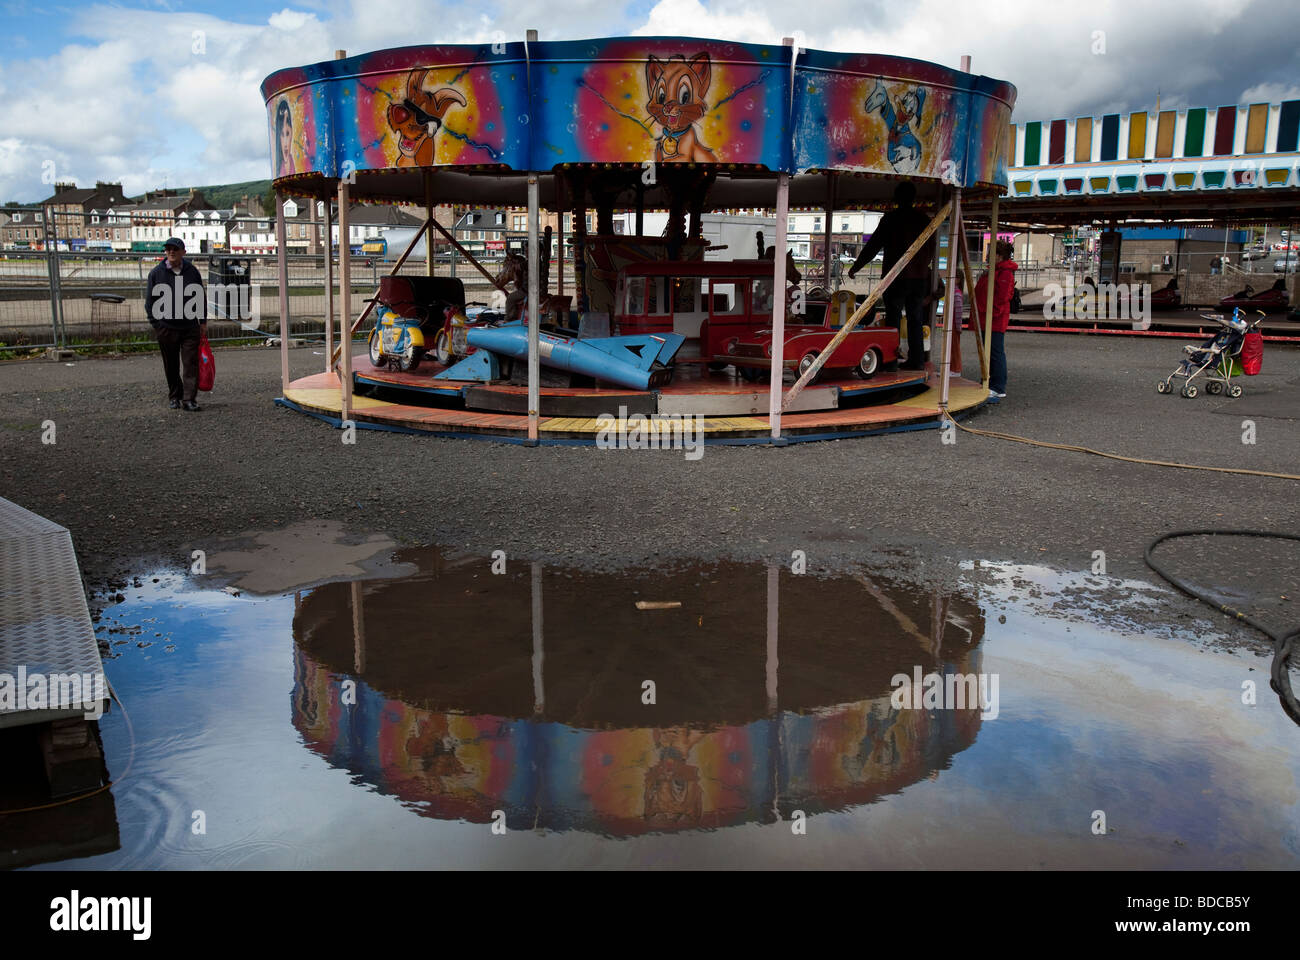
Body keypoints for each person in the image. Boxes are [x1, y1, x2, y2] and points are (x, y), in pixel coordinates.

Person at [847, 180, 934, 369]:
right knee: (916, 319)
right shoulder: (924, 219)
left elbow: (873, 245)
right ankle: (917, 360)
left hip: (895, 277)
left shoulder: (891, 219)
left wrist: (857, 267)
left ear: (896, 198)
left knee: (893, 319)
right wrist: (922, 265)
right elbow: (931, 248)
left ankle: (890, 361)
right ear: (913, 198)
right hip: (919, 278)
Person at [145, 237, 207, 411]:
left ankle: (189, 399)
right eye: (168, 249)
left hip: (189, 326)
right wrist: (157, 324)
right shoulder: (156, 274)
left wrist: (202, 321)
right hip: (166, 327)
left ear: (183, 252)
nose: (171, 252)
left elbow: (200, 297)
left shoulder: (192, 272)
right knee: (171, 364)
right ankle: (174, 396)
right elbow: (150, 301)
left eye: (175, 249)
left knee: (190, 363)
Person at [973, 239, 1016, 399]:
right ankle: (990, 381)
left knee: (995, 352)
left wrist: (991, 313)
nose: (987, 257)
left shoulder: (1003, 273)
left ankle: (998, 385)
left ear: (999, 256)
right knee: (989, 351)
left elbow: (1002, 297)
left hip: (993, 318)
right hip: (988, 316)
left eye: (990, 254)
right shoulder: (996, 272)